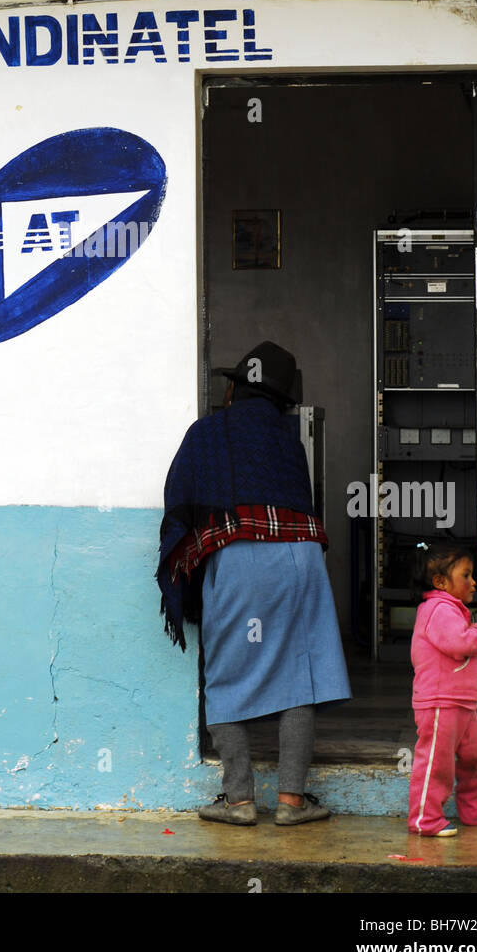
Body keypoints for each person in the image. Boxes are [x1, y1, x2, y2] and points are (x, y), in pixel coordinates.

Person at [157, 341, 351, 826]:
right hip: (303, 558)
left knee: (224, 675)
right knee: (298, 677)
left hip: (239, 556)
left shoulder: (204, 433)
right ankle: (292, 803)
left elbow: (179, 505)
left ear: (233, 392)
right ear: (282, 402)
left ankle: (240, 800)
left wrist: (186, 576)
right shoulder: (289, 441)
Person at [408, 541, 477, 836]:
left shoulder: (453, 610)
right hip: (440, 703)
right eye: (466, 575)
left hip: (462, 704)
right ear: (441, 582)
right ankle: (425, 820)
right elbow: (460, 644)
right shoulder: (438, 609)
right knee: (435, 763)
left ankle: (472, 814)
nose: (473, 582)